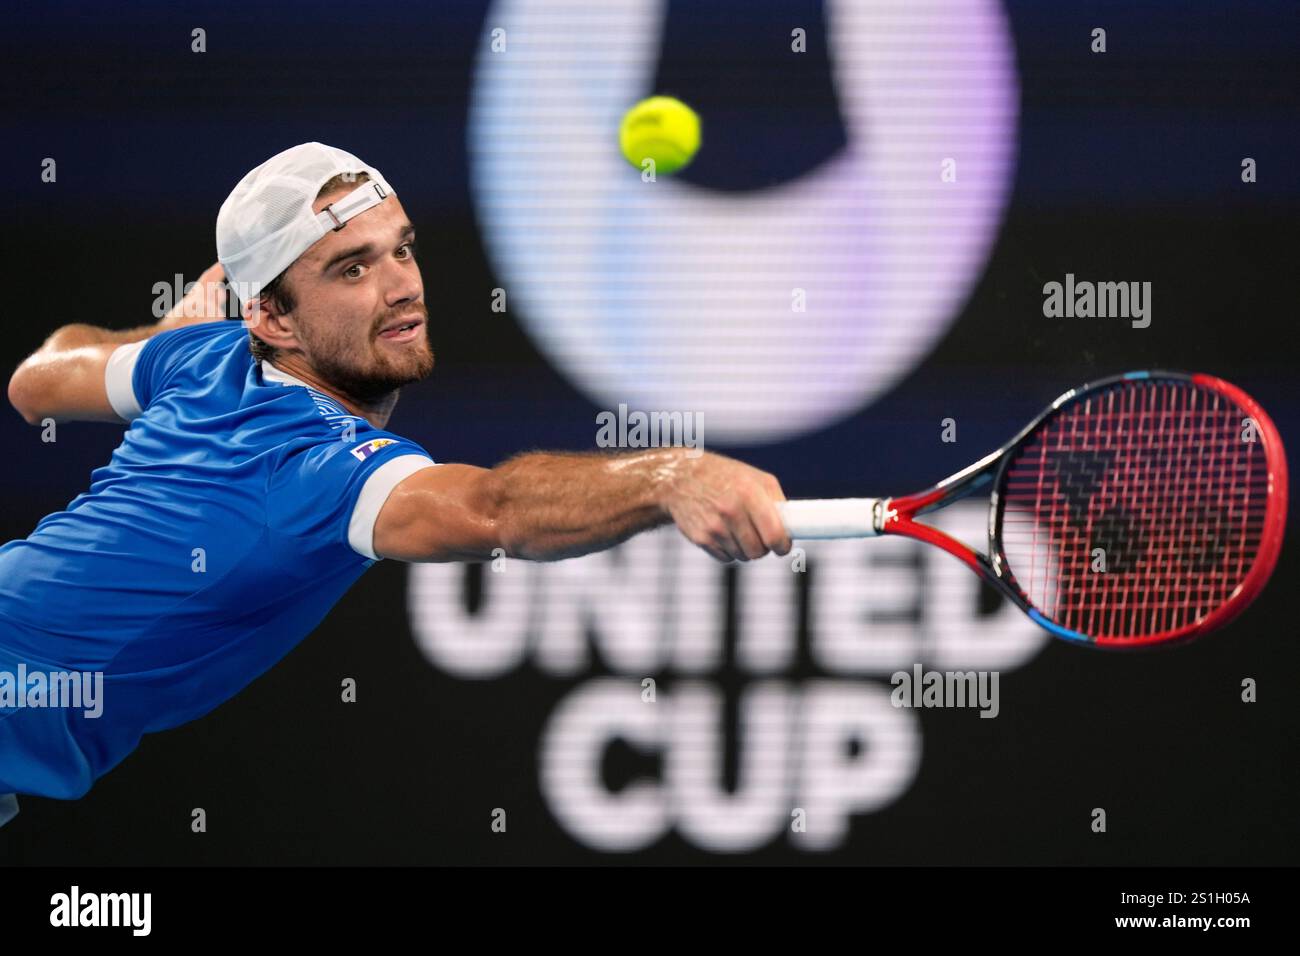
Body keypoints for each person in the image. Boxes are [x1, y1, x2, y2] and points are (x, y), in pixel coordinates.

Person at [0, 143, 790, 824]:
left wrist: (173, 330)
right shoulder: (317, 473)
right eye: (352, 268)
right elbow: (496, 509)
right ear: (273, 318)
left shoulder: (202, 357)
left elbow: (36, 381)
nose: (402, 287)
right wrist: (669, 475)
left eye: (401, 249)